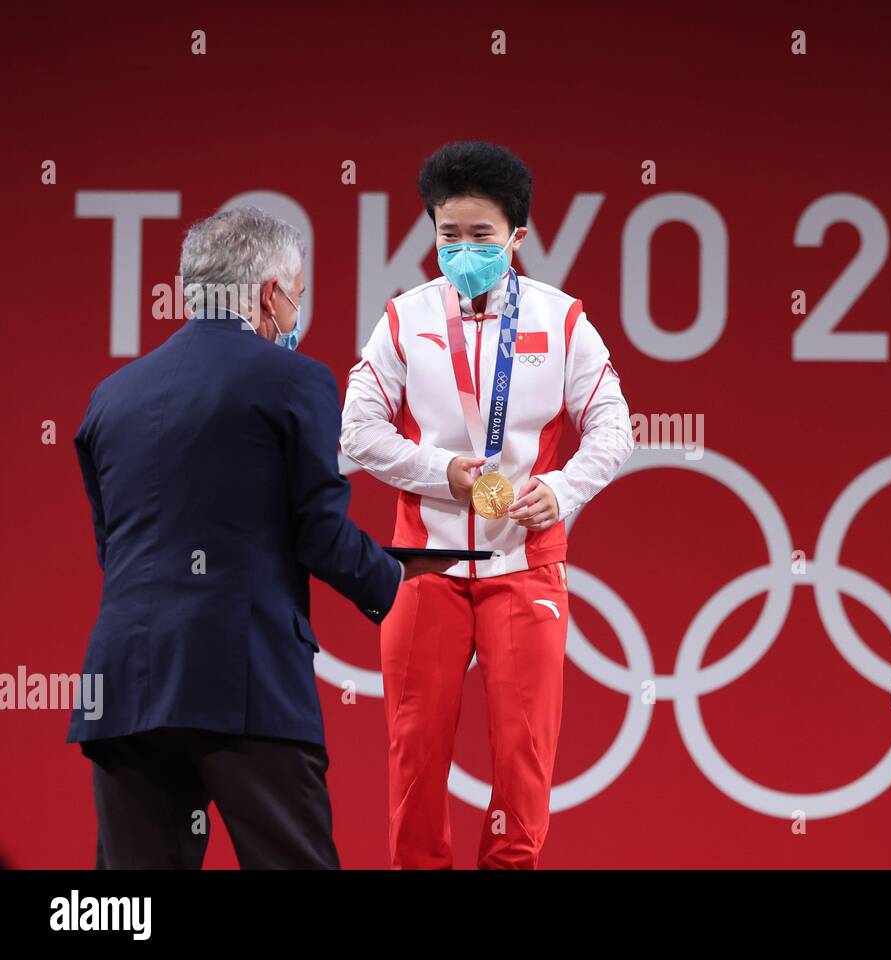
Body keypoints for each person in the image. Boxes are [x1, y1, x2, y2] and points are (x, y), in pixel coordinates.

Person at [70, 206, 450, 869]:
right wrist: (402, 584)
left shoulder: (110, 396)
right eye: (296, 298)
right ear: (270, 293)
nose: (294, 315)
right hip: (243, 680)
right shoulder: (293, 379)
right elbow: (320, 534)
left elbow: (116, 552)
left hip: (124, 688)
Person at [341, 141, 634, 869]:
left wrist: (559, 491)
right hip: (425, 565)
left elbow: (614, 428)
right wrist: (443, 472)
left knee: (522, 765)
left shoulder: (563, 321)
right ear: (431, 232)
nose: (464, 248)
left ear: (518, 238)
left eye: (481, 235)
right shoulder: (404, 319)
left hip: (525, 564)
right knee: (415, 757)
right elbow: (357, 431)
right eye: (448, 233)